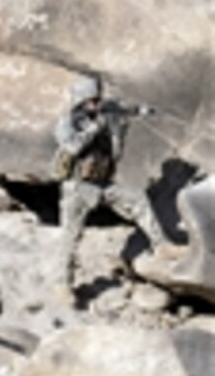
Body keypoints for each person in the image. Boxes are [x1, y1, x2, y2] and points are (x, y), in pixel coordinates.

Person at [53, 74, 164, 296]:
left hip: (104, 183)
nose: (97, 104)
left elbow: (126, 110)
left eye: (98, 99)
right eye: (91, 101)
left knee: (138, 201)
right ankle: (62, 285)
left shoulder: (106, 112)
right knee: (70, 237)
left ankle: (161, 246)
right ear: (80, 102)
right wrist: (93, 129)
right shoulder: (67, 123)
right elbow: (71, 148)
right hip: (78, 187)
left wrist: (142, 111)